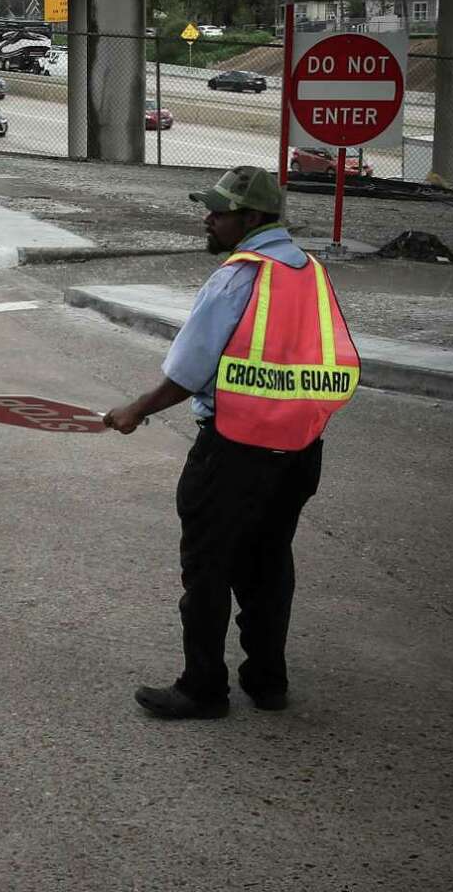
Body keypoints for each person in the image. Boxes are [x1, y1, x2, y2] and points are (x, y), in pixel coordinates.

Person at [104, 166, 358, 720]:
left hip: (234, 449)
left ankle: (203, 689)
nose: (207, 218)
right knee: (269, 564)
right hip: (297, 451)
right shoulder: (311, 270)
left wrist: (134, 411)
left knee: (208, 568)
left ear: (250, 219)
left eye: (218, 212)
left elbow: (188, 373)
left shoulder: (236, 276)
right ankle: (268, 682)